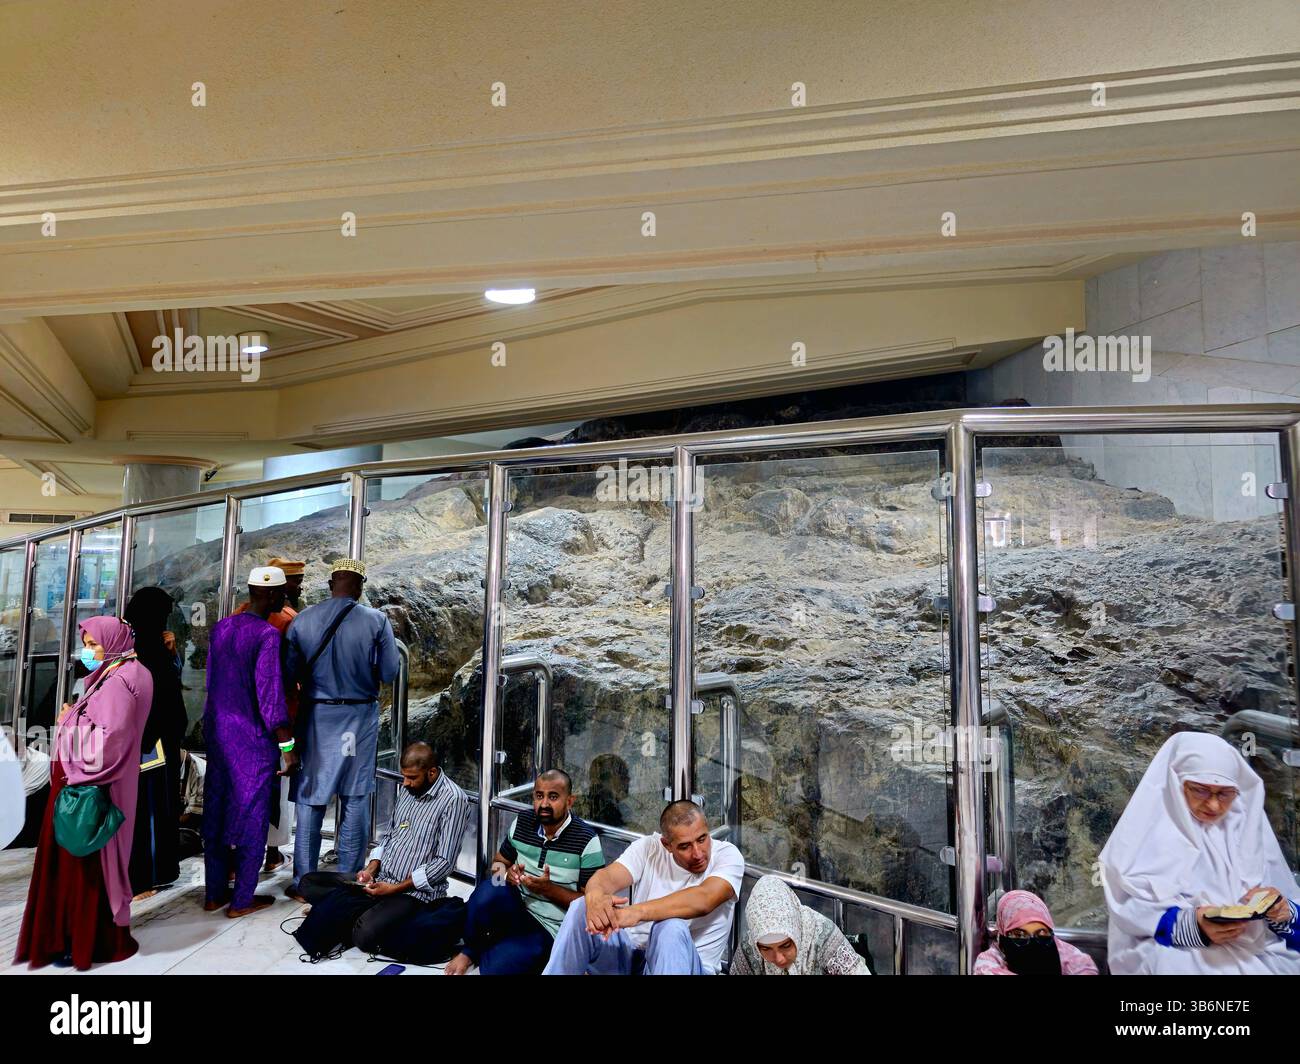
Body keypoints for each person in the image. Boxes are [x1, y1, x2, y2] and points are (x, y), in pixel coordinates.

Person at [13, 616, 153, 970]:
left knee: (86, 866)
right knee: (91, 864)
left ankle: (84, 941)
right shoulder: (121, 672)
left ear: (114, 641)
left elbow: (109, 742)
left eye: (94, 645)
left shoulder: (119, 681)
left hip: (92, 789)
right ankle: (77, 938)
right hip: (99, 786)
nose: (88, 652)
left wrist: (67, 723)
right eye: (87, 644)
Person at [1100, 731, 1300, 974]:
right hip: (1176, 952)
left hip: (1256, 952)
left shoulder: (1246, 827)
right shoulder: (1145, 833)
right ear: (1176, 784)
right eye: (1200, 790)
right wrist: (1193, 926)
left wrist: (1280, 910)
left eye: (1225, 793)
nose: (1214, 805)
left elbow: (1285, 903)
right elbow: (1127, 909)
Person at [286, 558, 399, 901]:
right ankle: (351, 879)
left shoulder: (302, 621)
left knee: (310, 799)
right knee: (354, 796)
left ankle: (304, 881)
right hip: (358, 717)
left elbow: (289, 676)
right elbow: (390, 672)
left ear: (332, 583)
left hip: (317, 716)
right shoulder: (376, 621)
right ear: (360, 586)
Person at [298, 742, 468, 962]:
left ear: (432, 773)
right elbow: (388, 835)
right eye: (404, 776)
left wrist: (395, 889)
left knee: (364, 936)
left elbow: (444, 863)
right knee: (308, 883)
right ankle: (366, 906)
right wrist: (371, 868)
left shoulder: (454, 799)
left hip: (413, 894)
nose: (405, 783)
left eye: (412, 778)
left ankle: (360, 910)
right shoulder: (409, 789)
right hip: (381, 879)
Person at [543, 799, 744, 975]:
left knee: (670, 927)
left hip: (691, 966)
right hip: (633, 958)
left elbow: (704, 898)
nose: (698, 853)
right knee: (581, 906)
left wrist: (635, 913)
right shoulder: (650, 847)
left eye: (702, 839)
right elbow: (607, 877)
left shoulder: (727, 855)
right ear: (667, 844)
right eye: (685, 846)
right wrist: (595, 898)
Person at [202, 566, 297, 918]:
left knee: (216, 810)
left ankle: (214, 894)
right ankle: (242, 899)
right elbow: (270, 695)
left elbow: (212, 682)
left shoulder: (221, 628)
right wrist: (287, 747)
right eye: (282, 593)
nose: (285, 597)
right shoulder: (267, 635)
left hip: (218, 731)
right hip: (251, 739)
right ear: (270, 595)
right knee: (251, 815)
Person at [445, 768, 605, 975]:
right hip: (518, 907)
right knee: (488, 891)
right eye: (539, 796)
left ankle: (506, 949)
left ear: (570, 801)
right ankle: (471, 950)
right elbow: (497, 864)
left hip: (552, 927)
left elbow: (590, 904)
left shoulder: (587, 840)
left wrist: (549, 890)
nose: (544, 804)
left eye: (553, 796)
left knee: (495, 970)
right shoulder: (522, 822)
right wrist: (506, 874)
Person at [235, 556, 304, 873]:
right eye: (294, 583)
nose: (297, 588)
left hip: (239, 719)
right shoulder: (288, 620)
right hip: (275, 722)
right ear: (277, 591)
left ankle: (237, 858)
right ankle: (271, 854)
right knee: (276, 787)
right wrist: (288, 744)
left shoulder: (235, 618)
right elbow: (284, 681)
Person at [123, 586, 188, 899]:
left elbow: (171, 685)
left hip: (160, 739)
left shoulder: (157, 647)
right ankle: (144, 875)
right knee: (148, 806)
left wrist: (174, 656)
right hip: (149, 742)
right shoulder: (135, 649)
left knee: (160, 804)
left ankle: (160, 868)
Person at [729, 873, 871, 975]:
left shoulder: (824, 938)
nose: (778, 958)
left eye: (785, 946)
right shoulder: (750, 948)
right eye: (766, 949)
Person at [973, 889, 1098, 975]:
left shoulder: (1070, 956)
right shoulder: (987, 964)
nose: (1032, 942)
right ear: (1003, 933)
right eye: (1019, 935)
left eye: (1041, 933)